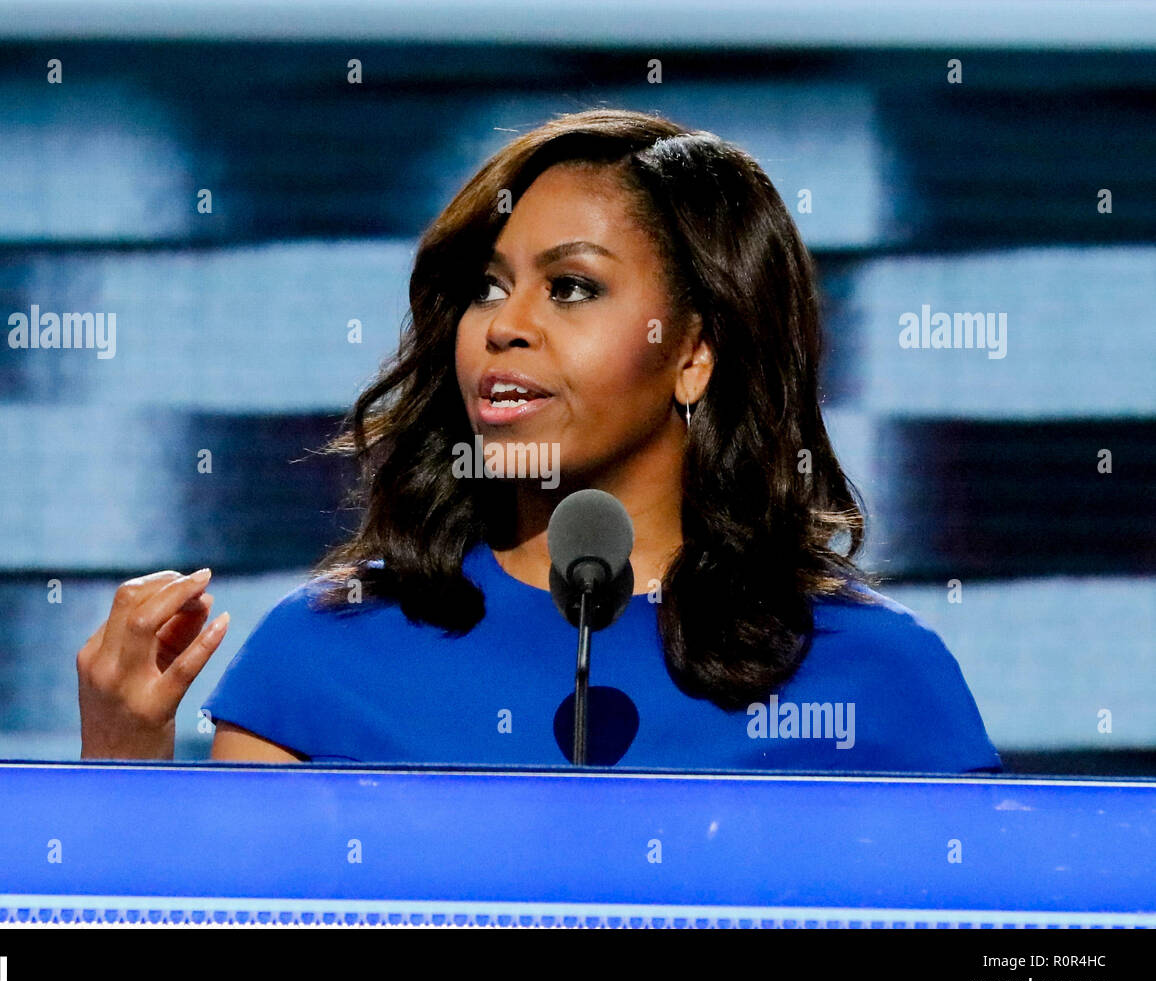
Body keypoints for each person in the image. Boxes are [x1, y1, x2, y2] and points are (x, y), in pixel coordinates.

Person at [78, 109, 1001, 772]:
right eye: (486, 285)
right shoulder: (321, 657)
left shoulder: (875, 679)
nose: (504, 325)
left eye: (570, 288)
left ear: (694, 352)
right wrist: (121, 760)